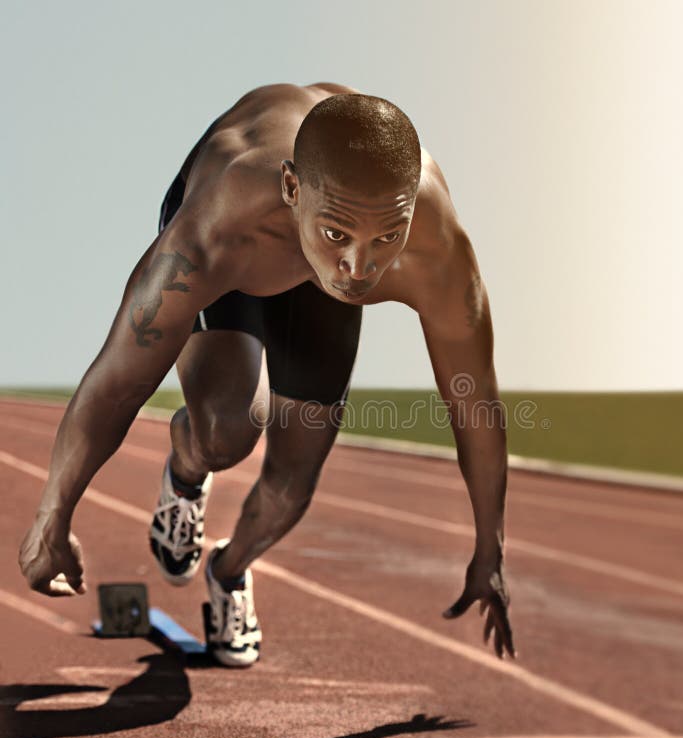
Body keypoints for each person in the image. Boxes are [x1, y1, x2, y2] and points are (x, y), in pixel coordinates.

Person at [18, 82, 515, 667]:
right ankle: (184, 478)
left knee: (293, 483)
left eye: (386, 238)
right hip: (253, 247)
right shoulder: (214, 233)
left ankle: (228, 572)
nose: (360, 269)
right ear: (291, 187)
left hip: (307, 240)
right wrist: (53, 515)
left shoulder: (435, 249)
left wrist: (492, 547)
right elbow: (119, 380)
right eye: (339, 236)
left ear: (410, 207)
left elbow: (474, 401)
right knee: (229, 427)